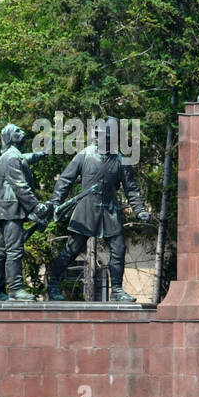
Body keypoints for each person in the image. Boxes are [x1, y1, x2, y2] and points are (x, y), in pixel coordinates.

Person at [47, 118, 152, 302]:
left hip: (110, 212)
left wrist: (139, 210)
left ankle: (117, 290)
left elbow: (131, 189)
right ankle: (53, 284)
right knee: (72, 250)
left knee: (118, 249)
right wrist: (56, 203)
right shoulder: (84, 155)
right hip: (86, 211)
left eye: (104, 137)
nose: (99, 139)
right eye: (98, 136)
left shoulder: (121, 159)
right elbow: (65, 180)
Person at [0, 123, 50, 301]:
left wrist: (42, 154)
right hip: (11, 210)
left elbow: (26, 158)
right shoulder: (12, 158)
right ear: (9, 137)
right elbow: (20, 186)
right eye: (17, 131)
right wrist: (36, 207)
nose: (22, 132)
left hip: (4, 210)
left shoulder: (10, 156)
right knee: (14, 251)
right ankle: (15, 289)